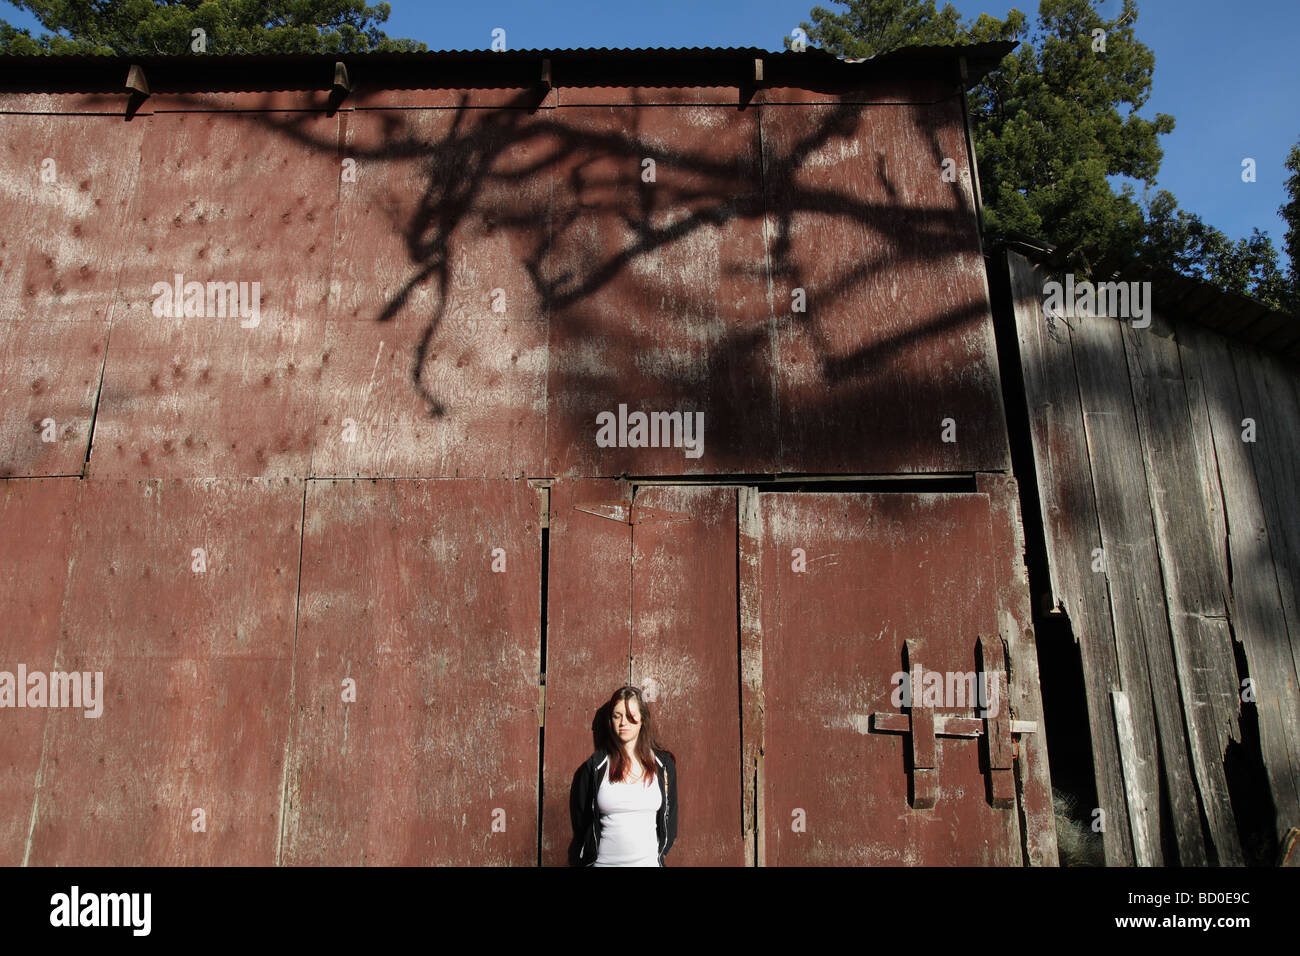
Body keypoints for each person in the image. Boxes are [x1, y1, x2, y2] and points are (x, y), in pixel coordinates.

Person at [570, 685, 677, 867]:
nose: (623, 723)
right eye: (616, 716)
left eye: (630, 716)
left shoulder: (663, 765)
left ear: (642, 718)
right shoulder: (596, 766)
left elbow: (671, 817)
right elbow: (582, 821)